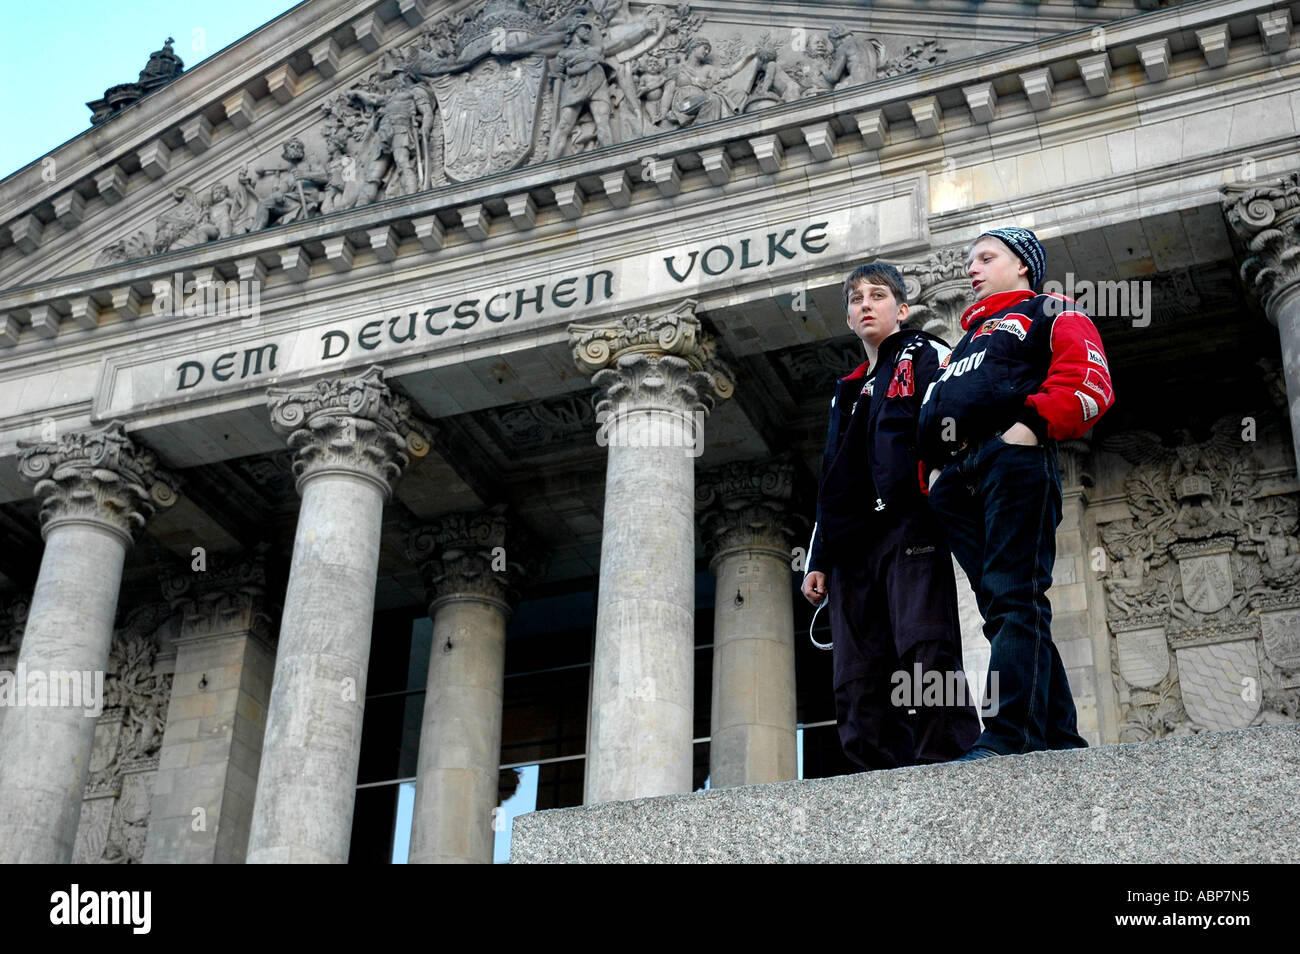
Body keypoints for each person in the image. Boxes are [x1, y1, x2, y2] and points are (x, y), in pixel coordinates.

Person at [917, 226, 1116, 760]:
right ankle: (1061, 736)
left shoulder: (1051, 312)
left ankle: (1009, 734)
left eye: (986, 258)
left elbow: (1090, 382)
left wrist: (1027, 428)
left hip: (1012, 462)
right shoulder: (966, 343)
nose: (973, 270)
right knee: (1006, 607)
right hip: (956, 481)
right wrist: (933, 475)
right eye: (971, 260)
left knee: (1013, 597)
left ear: (1023, 265)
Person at [802, 263, 981, 770]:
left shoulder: (925, 353)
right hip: (850, 546)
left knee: (924, 643)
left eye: (877, 295)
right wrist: (819, 557)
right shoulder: (845, 390)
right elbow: (831, 479)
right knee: (855, 673)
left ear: (901, 309)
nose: (865, 304)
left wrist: (948, 490)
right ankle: (876, 774)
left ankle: (949, 753)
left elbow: (956, 412)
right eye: (856, 299)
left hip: (908, 523)